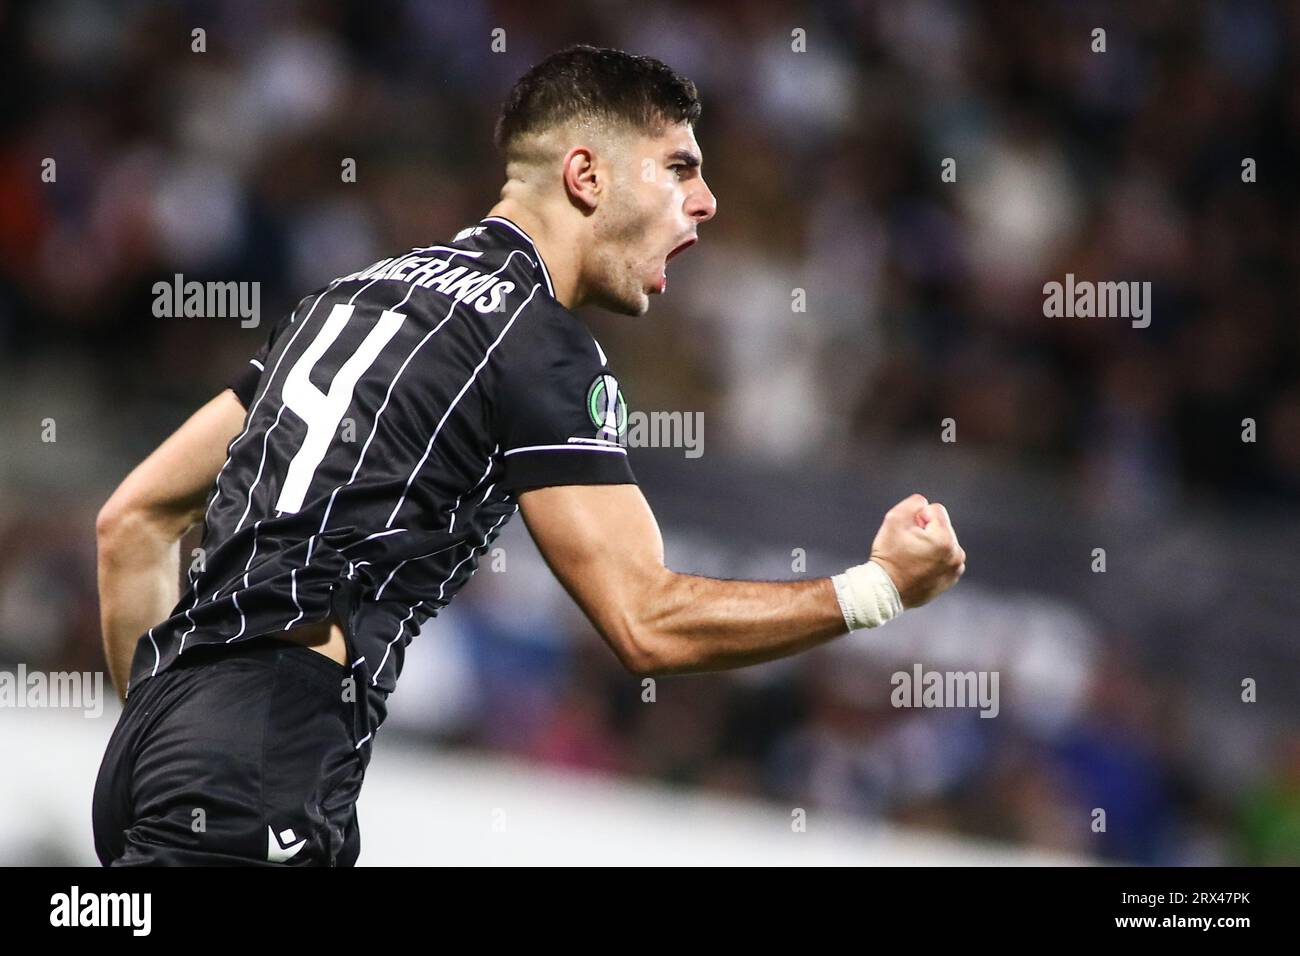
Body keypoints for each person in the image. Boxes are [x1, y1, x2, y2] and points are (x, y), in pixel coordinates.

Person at [92, 44, 965, 866]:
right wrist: (879, 587)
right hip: (264, 749)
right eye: (680, 169)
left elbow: (132, 522)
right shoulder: (535, 338)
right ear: (586, 175)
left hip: (165, 738)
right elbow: (645, 620)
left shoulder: (347, 300)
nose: (706, 204)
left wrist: (178, 740)